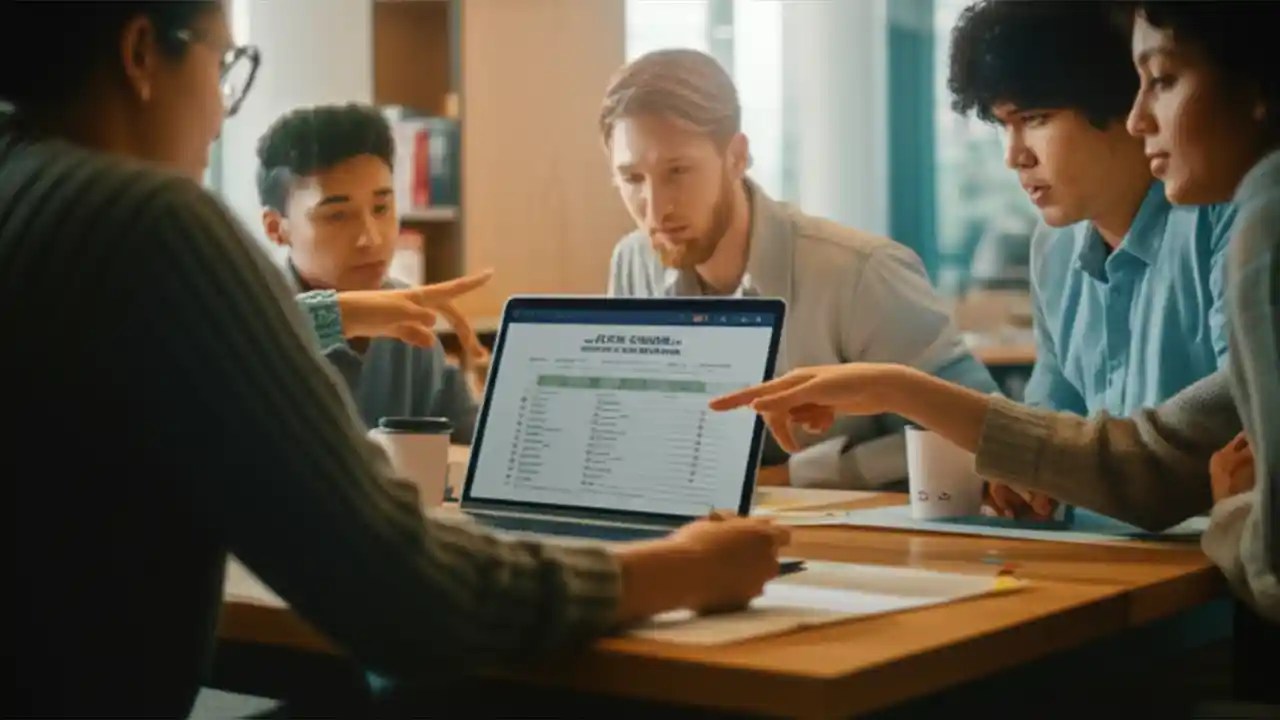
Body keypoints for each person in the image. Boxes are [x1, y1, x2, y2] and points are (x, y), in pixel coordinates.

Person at [0, 2, 788, 716]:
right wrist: (680, 571)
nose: (218, 112)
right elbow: (402, 597)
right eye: (222, 62)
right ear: (142, 54)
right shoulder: (151, 224)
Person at [710, 1, 1279, 624]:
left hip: (1203, 603)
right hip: (1089, 583)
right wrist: (1025, 480)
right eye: (1003, 125)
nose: (1014, 156)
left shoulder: (1233, 218)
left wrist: (908, 391)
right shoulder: (1055, 249)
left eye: (1035, 119)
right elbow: (1050, 422)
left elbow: (1186, 458)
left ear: (1117, 107)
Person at [602, 48, 998, 490]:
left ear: (736, 157)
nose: (656, 209)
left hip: (859, 527)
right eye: (632, 179)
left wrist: (797, 475)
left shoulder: (862, 272)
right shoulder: (633, 262)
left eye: (677, 171)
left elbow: (986, 435)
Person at [258, 104, 481, 442]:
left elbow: (473, 437)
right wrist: (333, 317)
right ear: (276, 228)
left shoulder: (408, 322)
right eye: (337, 215)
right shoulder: (251, 320)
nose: (372, 238)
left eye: (381, 208)